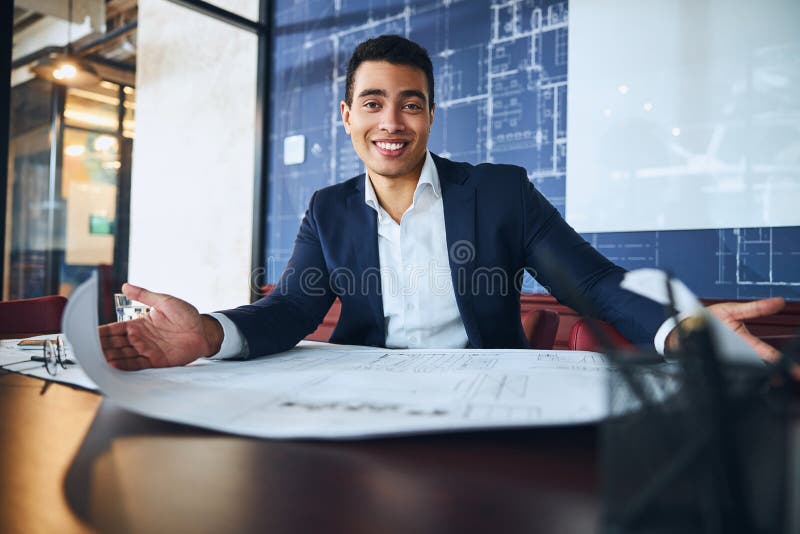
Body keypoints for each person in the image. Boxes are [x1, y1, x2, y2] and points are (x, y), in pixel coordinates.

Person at [100, 35, 785, 371]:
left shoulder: (500, 193)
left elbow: (599, 286)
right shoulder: (329, 208)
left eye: (411, 105)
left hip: (485, 405)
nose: (391, 123)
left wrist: (681, 332)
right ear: (346, 115)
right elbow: (289, 310)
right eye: (373, 103)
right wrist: (209, 335)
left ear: (431, 116)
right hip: (358, 404)